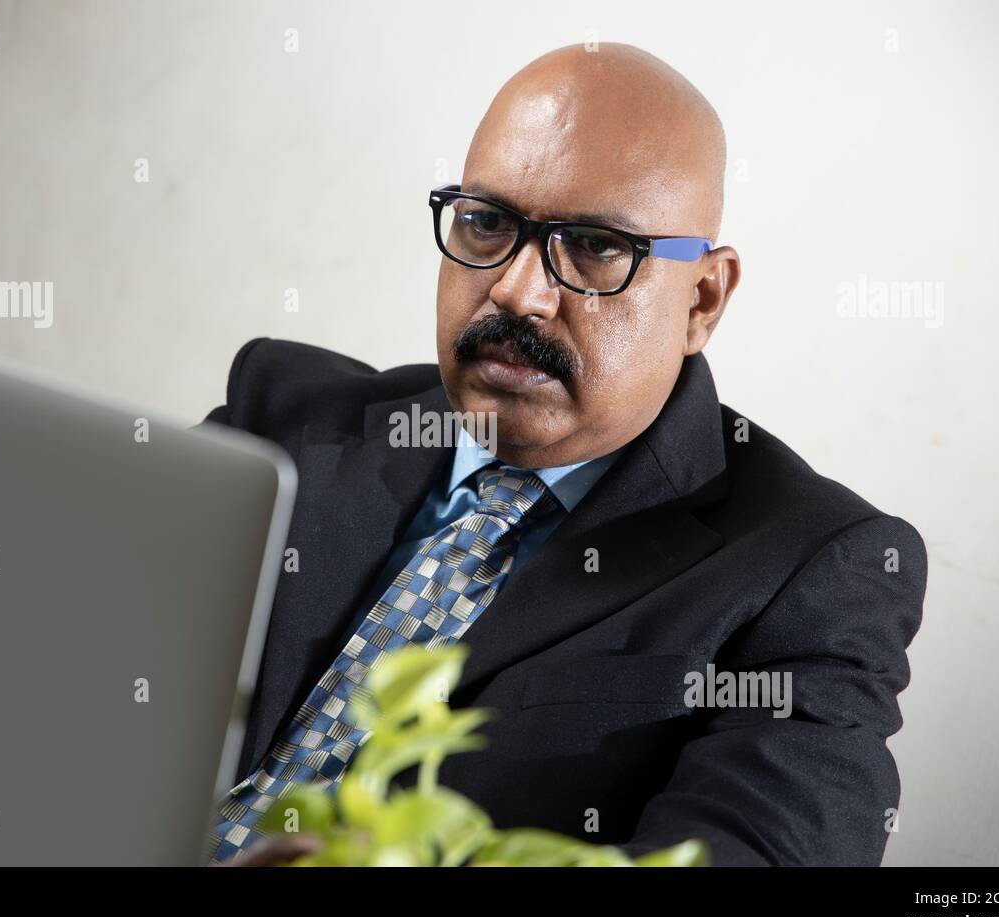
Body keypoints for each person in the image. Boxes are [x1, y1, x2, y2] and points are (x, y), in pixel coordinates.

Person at [199, 42, 927, 867]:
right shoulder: (283, 418)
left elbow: (760, 852)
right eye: (486, 223)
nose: (517, 290)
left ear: (703, 297)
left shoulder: (810, 573)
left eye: (595, 246)